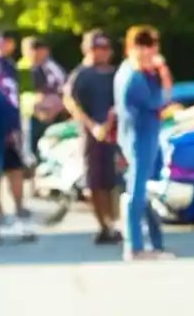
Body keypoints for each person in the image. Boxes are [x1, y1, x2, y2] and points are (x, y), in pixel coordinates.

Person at [114, 26, 174, 260]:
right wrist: (162, 72)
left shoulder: (128, 71)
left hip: (140, 135)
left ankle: (154, 243)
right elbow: (159, 101)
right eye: (150, 47)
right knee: (137, 192)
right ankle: (135, 246)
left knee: (146, 191)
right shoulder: (135, 76)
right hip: (140, 136)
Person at [63, 30, 121, 243]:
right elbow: (72, 103)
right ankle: (103, 225)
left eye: (107, 47)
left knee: (114, 182)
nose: (104, 52)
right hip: (92, 136)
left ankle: (114, 224)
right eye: (99, 47)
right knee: (95, 182)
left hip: (115, 134)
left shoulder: (116, 73)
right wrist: (92, 126)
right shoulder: (81, 74)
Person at [0, 29, 28, 222]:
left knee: (14, 168)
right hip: (0, 122)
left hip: (9, 121)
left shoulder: (9, 65)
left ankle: (18, 207)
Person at [24, 36, 68, 166]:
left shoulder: (51, 67)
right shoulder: (25, 67)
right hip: (33, 113)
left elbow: (63, 85)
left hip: (53, 111)